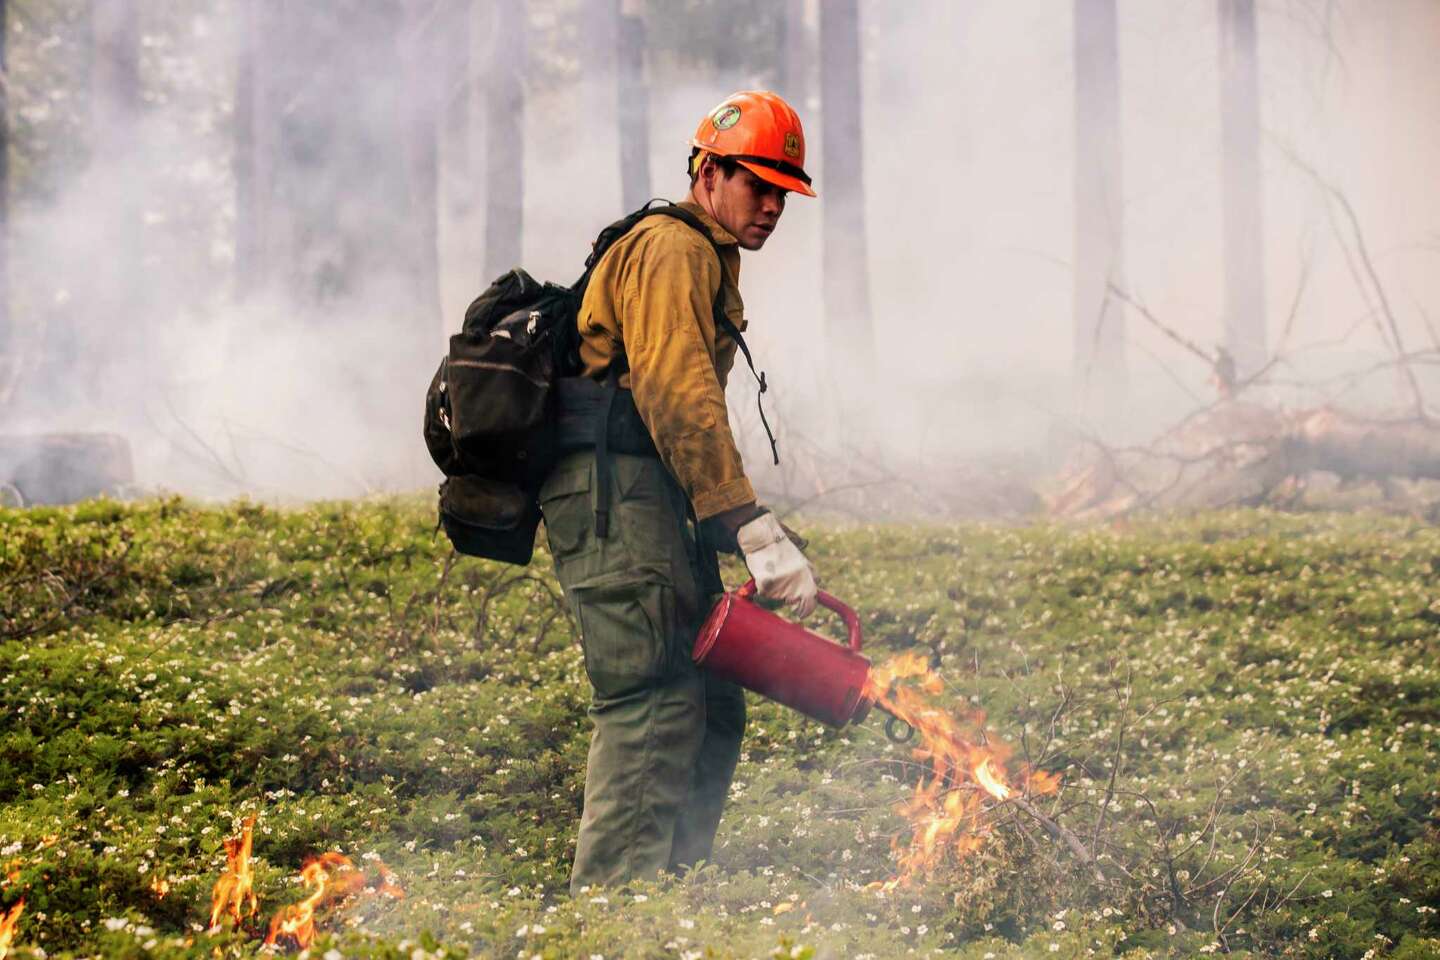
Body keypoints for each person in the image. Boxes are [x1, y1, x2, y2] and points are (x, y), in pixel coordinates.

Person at [539, 90, 820, 894]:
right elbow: (676, 394)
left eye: (782, 193)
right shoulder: (672, 249)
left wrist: (726, 525)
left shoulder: (704, 249)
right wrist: (750, 527)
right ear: (709, 171)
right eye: (756, 184)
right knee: (657, 698)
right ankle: (612, 928)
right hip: (615, 497)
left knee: (712, 699)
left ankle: (670, 908)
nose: (770, 206)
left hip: (653, 500)